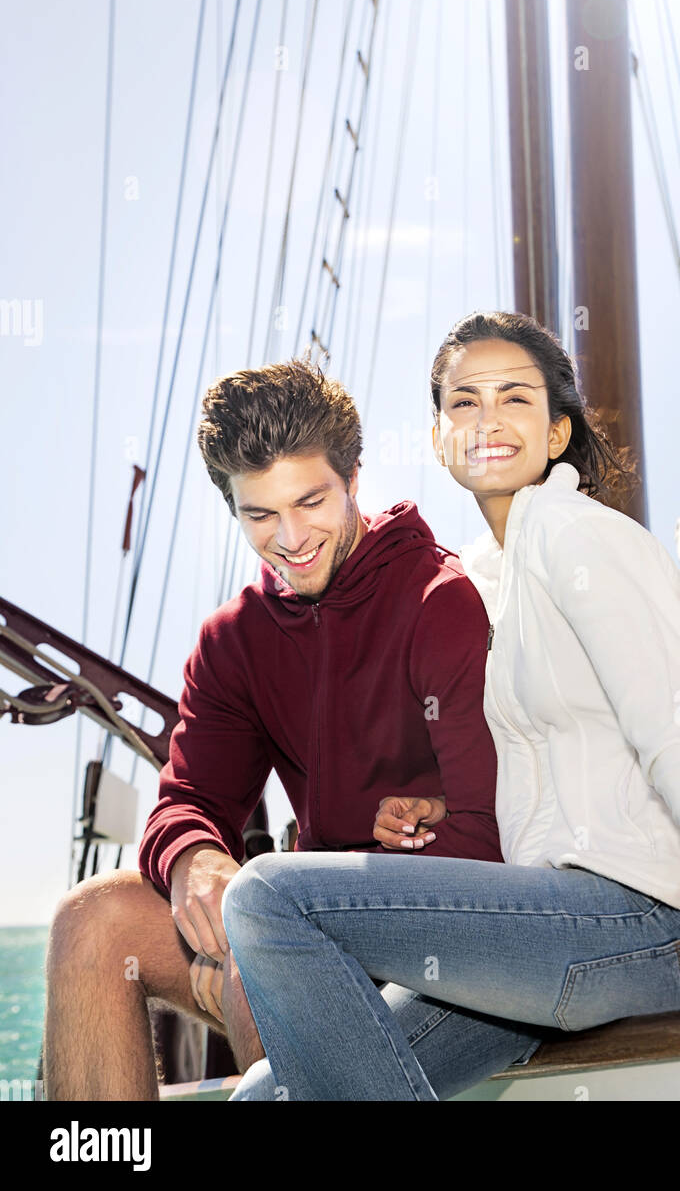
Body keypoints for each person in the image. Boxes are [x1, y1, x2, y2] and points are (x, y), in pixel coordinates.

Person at [222, 311, 680, 1102]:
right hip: (553, 946)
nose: (487, 419)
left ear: (558, 433)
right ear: (436, 438)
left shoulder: (584, 538)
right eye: (464, 402)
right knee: (266, 1099)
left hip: (645, 930)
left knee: (264, 897)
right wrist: (438, 805)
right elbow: (545, 765)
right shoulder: (495, 577)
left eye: (514, 398)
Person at [43, 359, 545, 1100]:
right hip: (291, 928)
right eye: (260, 516)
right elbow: (187, 802)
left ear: (353, 477)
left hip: (439, 954)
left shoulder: (441, 603)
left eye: (310, 502)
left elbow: (490, 843)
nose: (290, 538)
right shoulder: (234, 641)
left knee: (268, 934)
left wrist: (288, 910)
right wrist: (193, 861)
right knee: (91, 923)